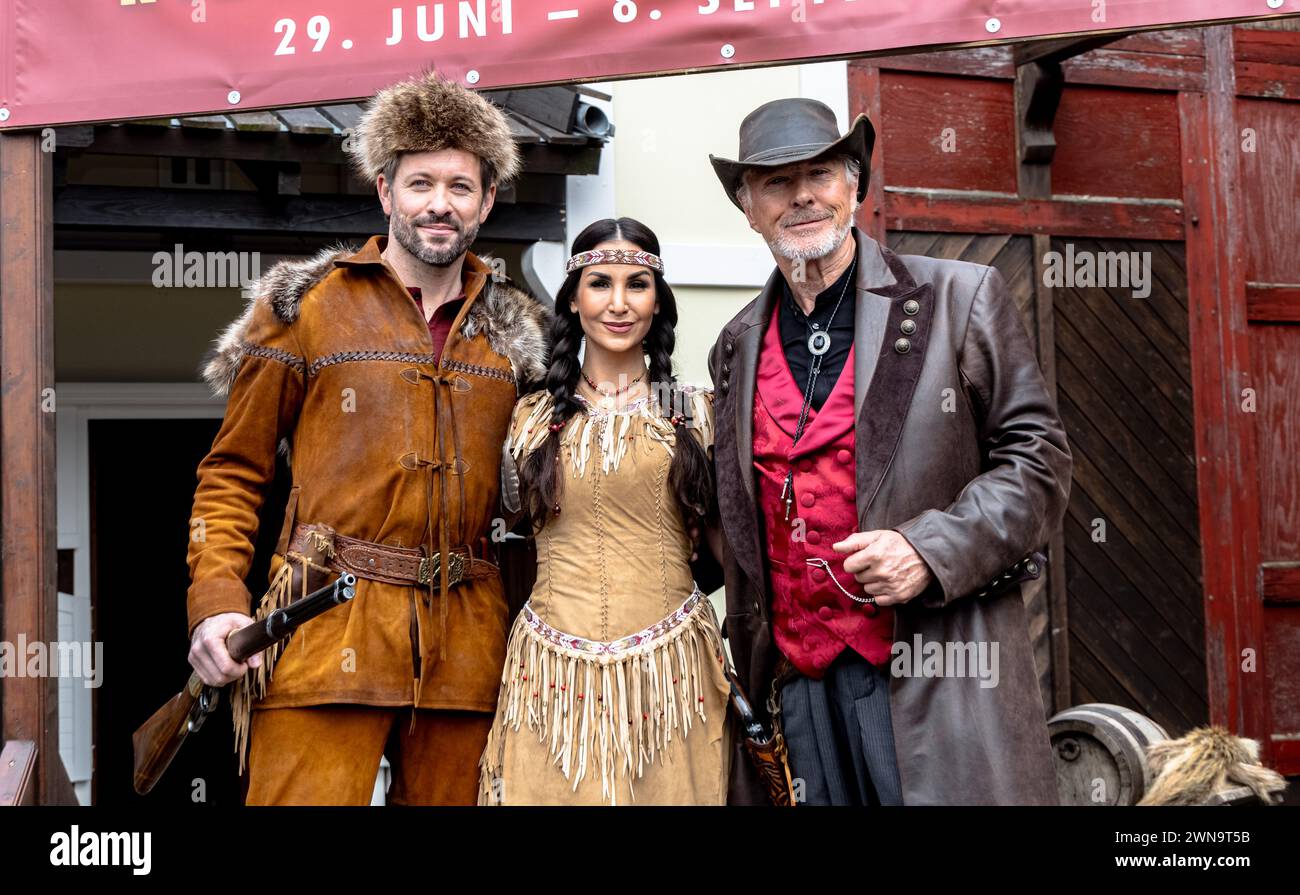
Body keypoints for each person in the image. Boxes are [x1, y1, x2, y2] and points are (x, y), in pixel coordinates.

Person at [184, 72, 551, 805]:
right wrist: (218, 598)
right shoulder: (305, 307)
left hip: (470, 650)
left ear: (486, 202)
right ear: (385, 192)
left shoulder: (520, 334)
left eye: (459, 186)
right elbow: (234, 470)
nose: (438, 203)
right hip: (322, 629)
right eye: (420, 183)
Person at [706, 98, 1072, 805]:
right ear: (748, 207)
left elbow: (1039, 460)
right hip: (798, 684)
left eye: (820, 173)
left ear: (855, 186)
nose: (803, 195)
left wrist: (928, 548)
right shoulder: (735, 342)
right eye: (777, 183)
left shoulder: (957, 297)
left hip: (931, 671)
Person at [478, 217, 731, 805]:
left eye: (637, 285)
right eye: (600, 284)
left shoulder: (696, 413)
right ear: (573, 297)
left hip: (674, 682)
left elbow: (732, 551)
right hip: (548, 682)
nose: (618, 304)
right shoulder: (528, 417)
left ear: (657, 302)